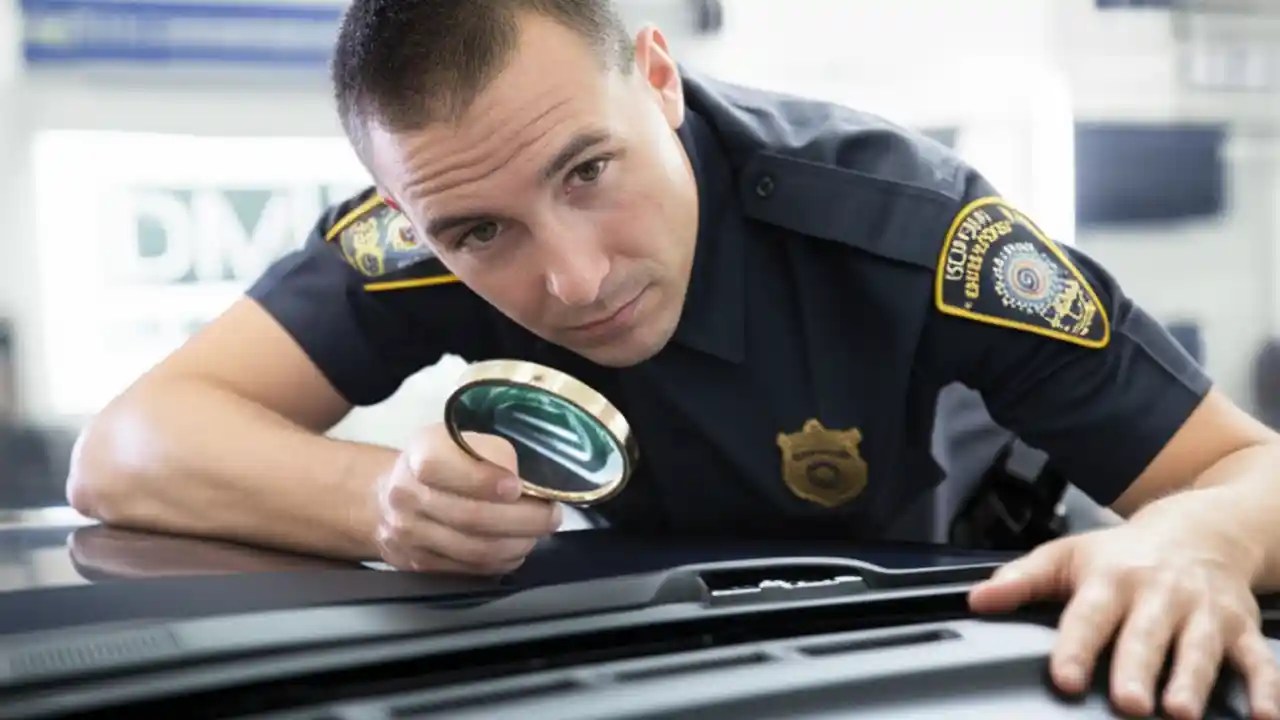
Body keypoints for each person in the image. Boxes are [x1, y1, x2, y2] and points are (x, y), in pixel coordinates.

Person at [66, 1, 1280, 717]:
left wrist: (1193, 533)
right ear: (405, 208)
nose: (572, 280)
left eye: (586, 172)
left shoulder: (916, 230)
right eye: (479, 234)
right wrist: (380, 502)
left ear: (659, 78)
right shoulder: (430, 226)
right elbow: (125, 448)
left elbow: (1245, 467)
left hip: (962, 648)